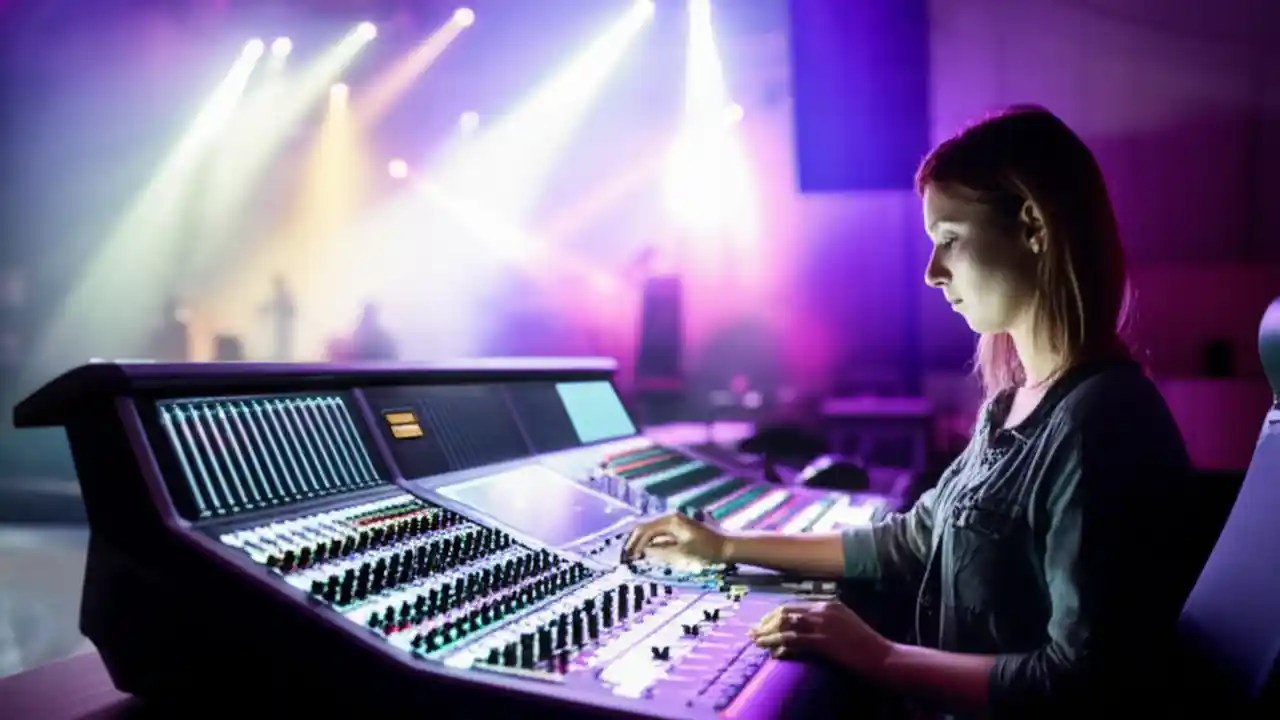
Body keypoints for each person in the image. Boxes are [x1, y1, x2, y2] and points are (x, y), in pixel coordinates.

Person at [622, 105, 1194, 718]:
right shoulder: (1011, 404)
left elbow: (1081, 683)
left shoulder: (1099, 423)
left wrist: (880, 657)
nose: (931, 273)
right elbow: (910, 541)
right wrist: (727, 546)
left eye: (949, 240)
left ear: (1032, 225)